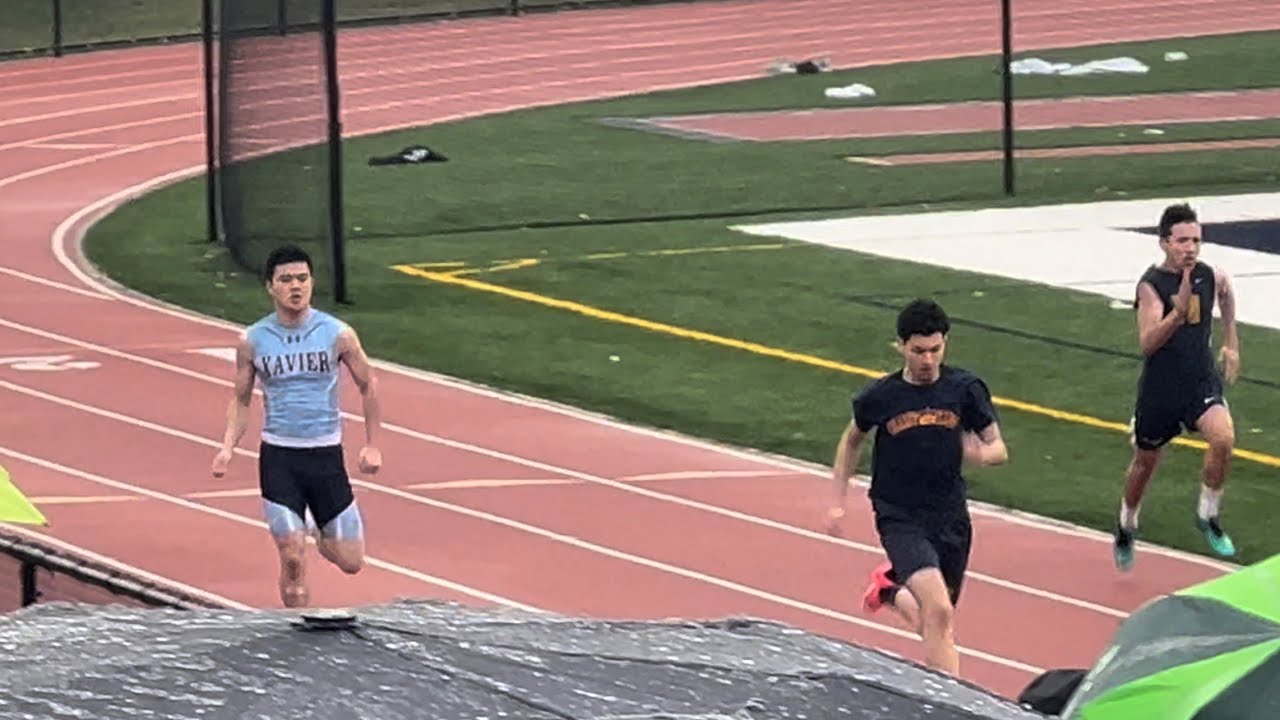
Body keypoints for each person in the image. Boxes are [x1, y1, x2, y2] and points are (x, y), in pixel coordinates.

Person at [826, 298, 1008, 677]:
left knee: (937, 620)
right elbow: (852, 440)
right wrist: (837, 501)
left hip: (950, 515)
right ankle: (948, 698)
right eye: (918, 351)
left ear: (946, 343)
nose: (928, 360)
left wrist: (979, 454)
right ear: (901, 346)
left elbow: (998, 448)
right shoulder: (881, 396)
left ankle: (890, 591)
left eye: (935, 350)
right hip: (899, 516)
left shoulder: (965, 389)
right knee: (939, 611)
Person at [210, 244, 383, 608]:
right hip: (280, 457)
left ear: (312, 283)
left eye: (302, 278)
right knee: (291, 554)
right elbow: (241, 399)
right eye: (286, 279)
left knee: (351, 561)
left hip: (325, 455)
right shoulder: (253, 340)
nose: (295, 286)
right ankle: (295, 632)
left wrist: (372, 444)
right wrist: (227, 446)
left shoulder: (338, 334)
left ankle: (319, 529)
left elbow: (368, 384)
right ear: (270, 287)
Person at [1113, 203, 1239, 571]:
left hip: (1199, 380)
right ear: (1164, 242)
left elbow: (1226, 292)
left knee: (1223, 439)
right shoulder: (1151, 286)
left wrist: (1231, 341)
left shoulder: (1208, 275)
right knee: (1145, 464)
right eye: (1182, 241)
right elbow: (1148, 343)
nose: (1190, 248)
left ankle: (1207, 515)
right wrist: (1178, 314)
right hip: (1161, 391)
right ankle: (1126, 524)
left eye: (1196, 240)